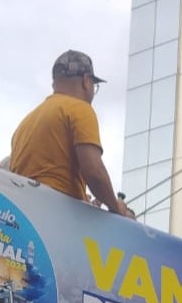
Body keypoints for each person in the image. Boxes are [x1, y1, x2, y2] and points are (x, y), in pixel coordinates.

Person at [9, 50, 130, 216]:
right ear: (87, 81)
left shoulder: (24, 124)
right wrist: (117, 208)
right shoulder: (80, 109)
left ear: (55, 83)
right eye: (94, 86)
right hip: (57, 215)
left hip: (23, 214)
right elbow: (94, 171)